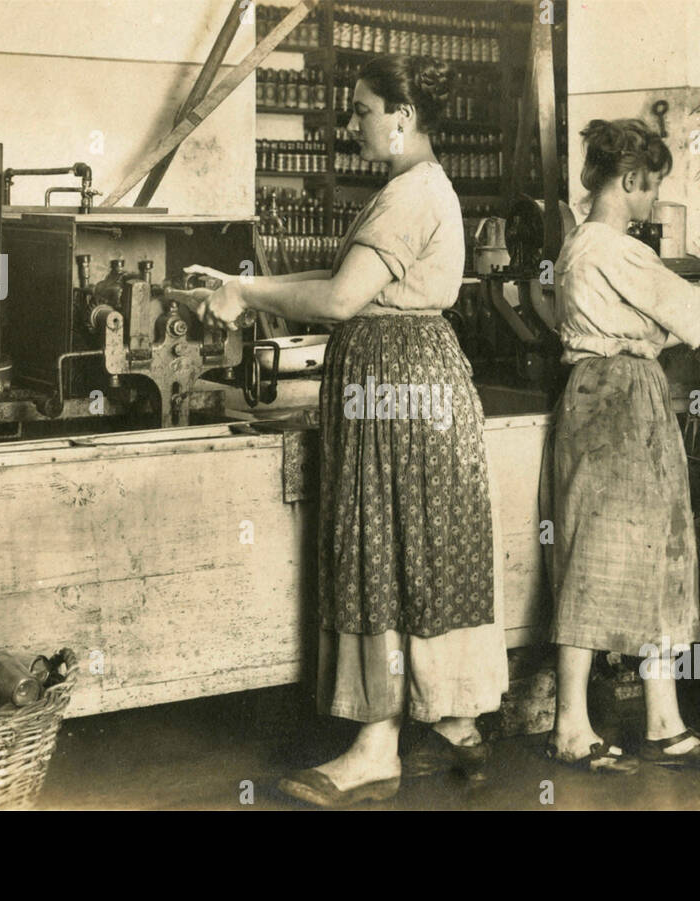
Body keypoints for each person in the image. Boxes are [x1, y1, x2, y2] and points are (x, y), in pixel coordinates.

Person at [191, 55, 508, 807]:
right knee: (415, 547)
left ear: (402, 113)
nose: (352, 122)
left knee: (386, 547)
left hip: (400, 394)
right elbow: (346, 293)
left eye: (363, 109)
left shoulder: (411, 195)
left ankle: (376, 748)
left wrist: (244, 290)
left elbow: (337, 300)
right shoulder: (415, 188)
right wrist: (240, 289)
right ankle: (455, 718)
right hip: (401, 386)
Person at [543, 118, 700, 773]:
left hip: (614, 395)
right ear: (629, 181)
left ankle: (662, 718)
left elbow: (665, 319)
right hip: (619, 400)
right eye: (652, 189)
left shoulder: (581, 245)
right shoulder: (612, 248)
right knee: (598, 556)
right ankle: (571, 724)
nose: (654, 203)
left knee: (650, 555)